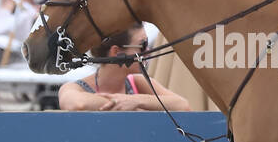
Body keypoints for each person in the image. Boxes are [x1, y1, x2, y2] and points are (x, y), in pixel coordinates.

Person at [58, 23, 191, 112]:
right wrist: (123, 102)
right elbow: (77, 104)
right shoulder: (75, 87)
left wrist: (137, 100)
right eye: (142, 45)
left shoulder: (138, 82)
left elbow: (183, 105)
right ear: (116, 52)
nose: (148, 51)